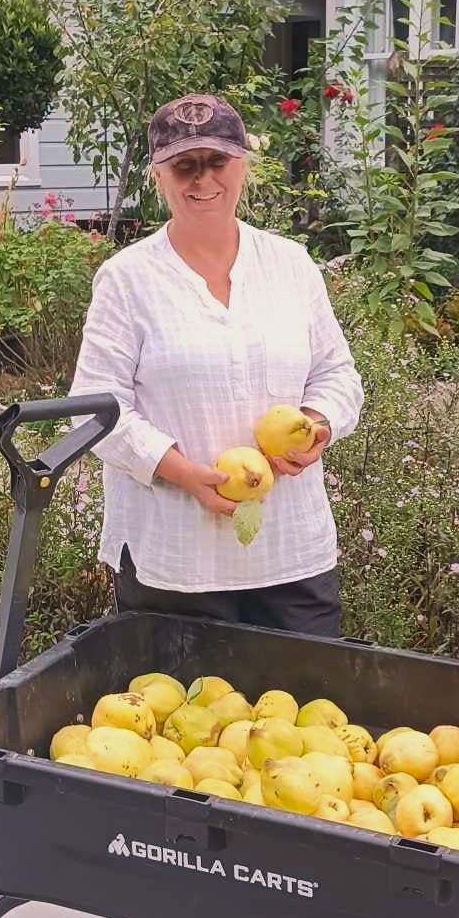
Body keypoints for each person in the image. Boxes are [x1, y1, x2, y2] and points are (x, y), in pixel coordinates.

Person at [67, 92, 364, 636]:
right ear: (158, 176)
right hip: (176, 555)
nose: (202, 180)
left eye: (216, 161)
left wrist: (318, 424)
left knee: (308, 708)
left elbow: (336, 373)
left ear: (243, 165)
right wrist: (182, 472)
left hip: (290, 546)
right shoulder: (128, 279)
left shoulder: (290, 265)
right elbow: (95, 410)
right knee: (183, 716)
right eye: (183, 165)